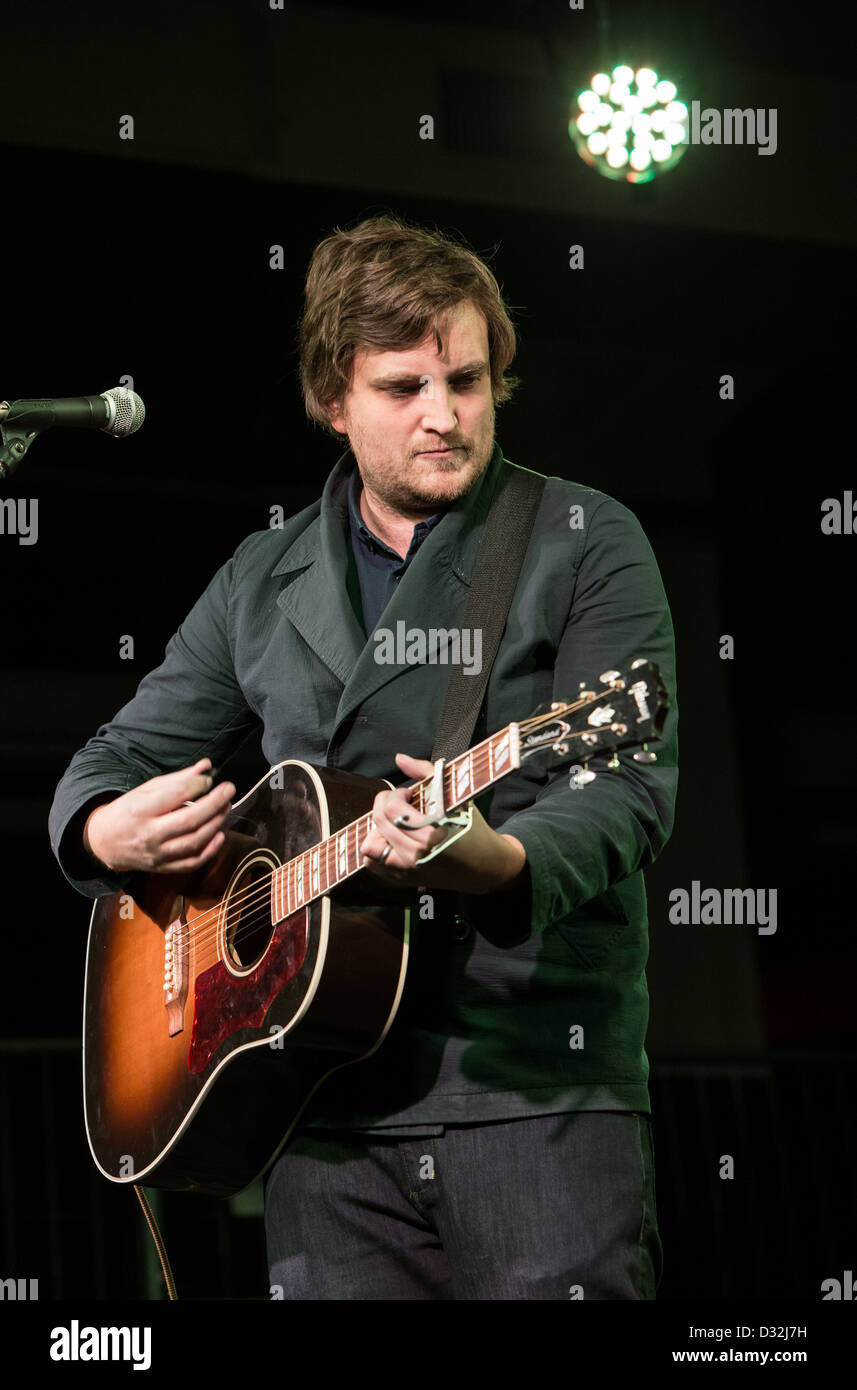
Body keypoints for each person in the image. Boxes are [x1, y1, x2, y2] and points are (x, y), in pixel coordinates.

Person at [48, 212, 678, 1300]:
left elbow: (624, 793)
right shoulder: (261, 573)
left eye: (468, 383)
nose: (444, 417)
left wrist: (484, 857)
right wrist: (107, 827)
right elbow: (115, 757)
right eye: (402, 390)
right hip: (311, 1091)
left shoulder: (583, 535)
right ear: (332, 401)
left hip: (522, 1080)